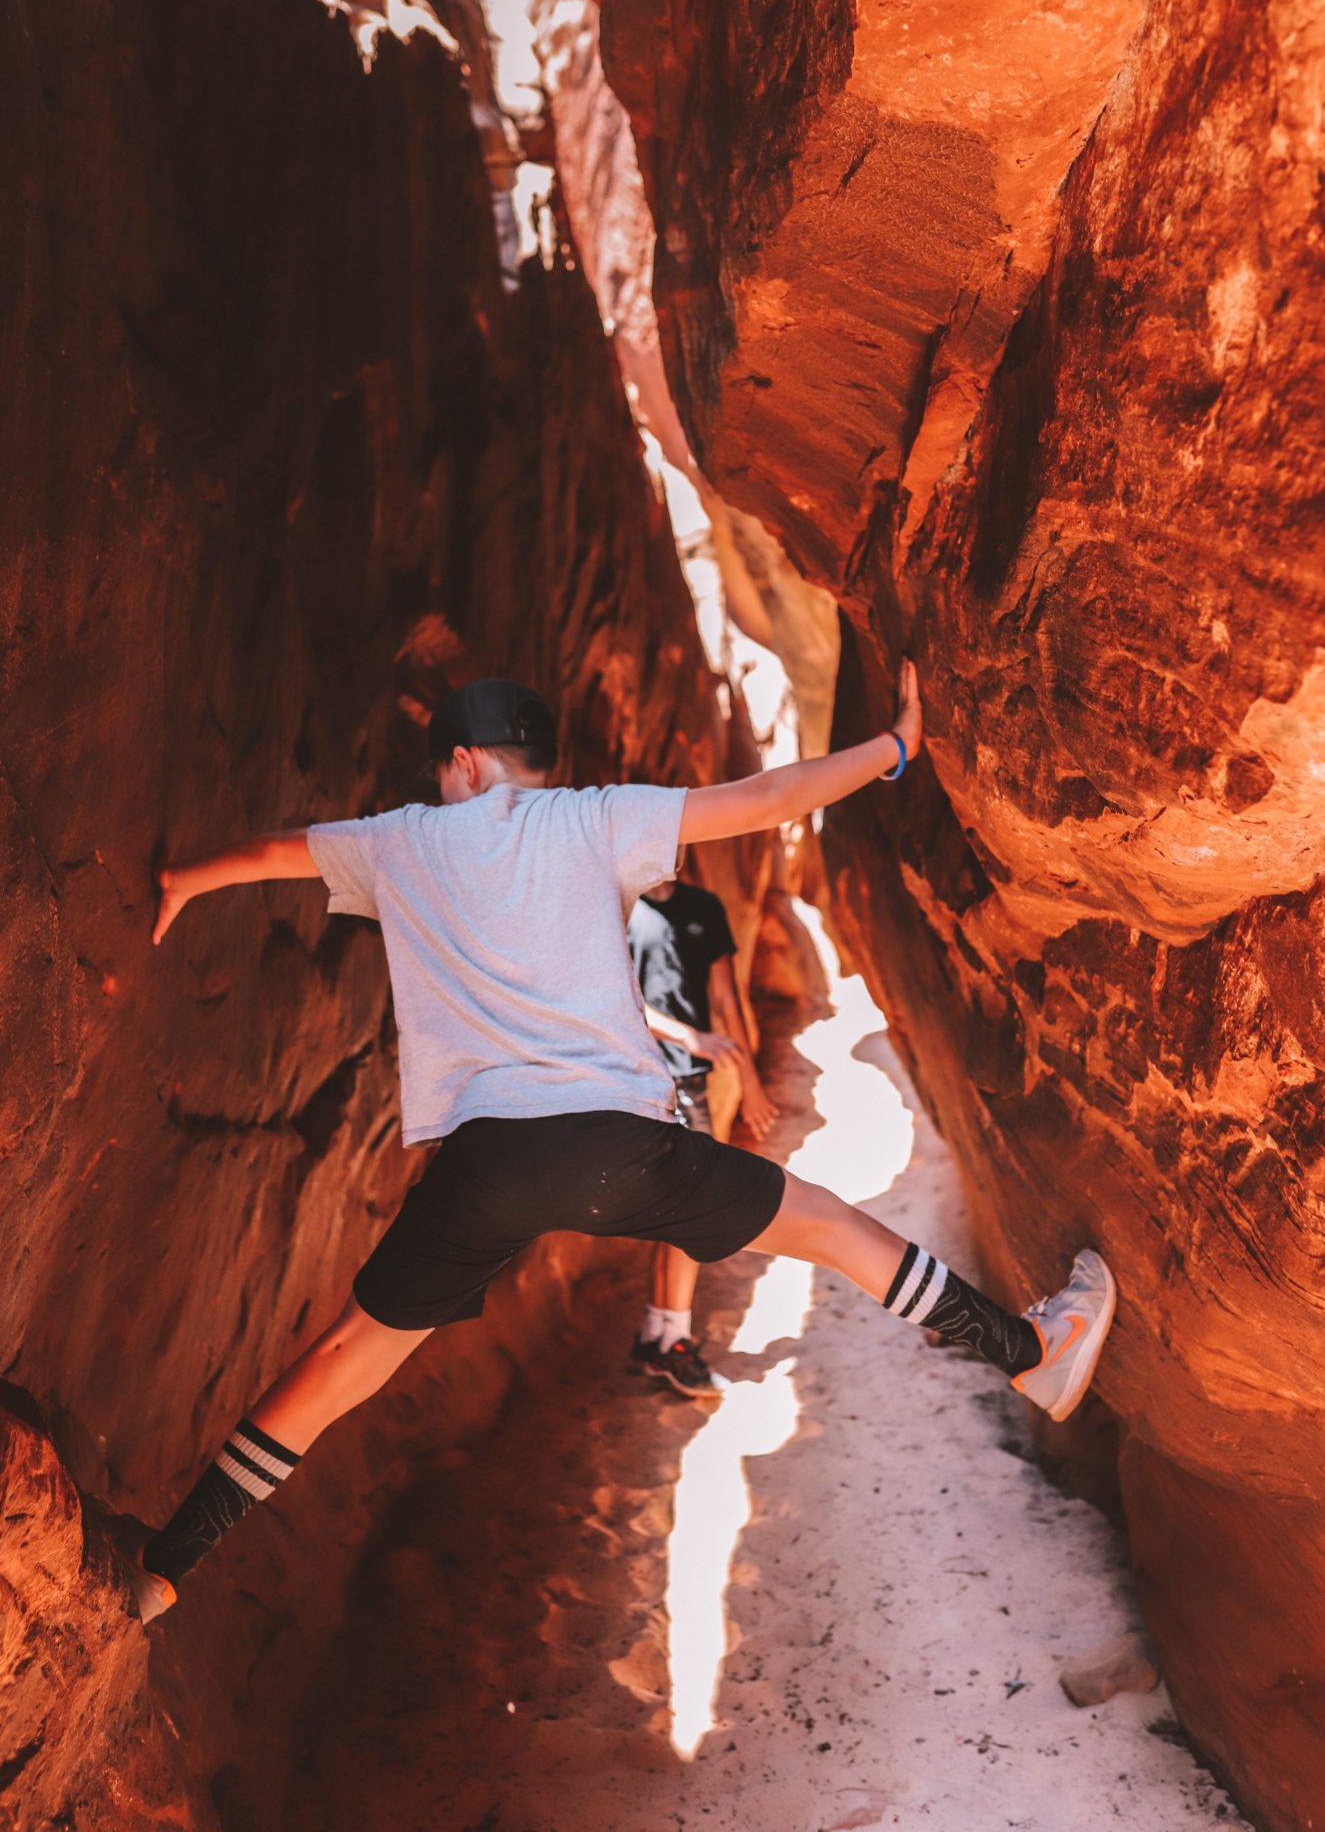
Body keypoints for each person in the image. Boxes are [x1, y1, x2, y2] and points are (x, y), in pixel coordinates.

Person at [124, 664, 1117, 1625]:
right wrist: (894, 746)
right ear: (530, 760)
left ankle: (170, 1565)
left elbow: (263, 857)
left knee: (347, 1353)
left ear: (466, 761)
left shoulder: (401, 841)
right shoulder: (594, 815)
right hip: (616, 1148)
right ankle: (1025, 1348)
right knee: (821, 1224)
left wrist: (177, 880)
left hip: (484, 1169)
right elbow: (768, 794)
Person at [627, 859, 777, 1396]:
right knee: (693, 1212)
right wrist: (689, 1037)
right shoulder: (619, 910)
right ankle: (674, 1343)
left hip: (691, 1083)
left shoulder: (703, 907)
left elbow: (726, 996)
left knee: (679, 1211)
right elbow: (618, 1001)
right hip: (640, 1080)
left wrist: (751, 1080)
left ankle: (658, 1334)